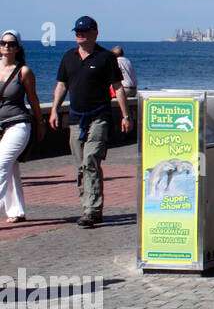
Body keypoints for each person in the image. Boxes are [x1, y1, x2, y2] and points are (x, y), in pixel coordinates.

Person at [49, 16, 131, 228]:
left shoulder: (105, 57)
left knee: (91, 159)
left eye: (84, 31)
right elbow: (62, 85)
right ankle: (87, 204)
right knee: (80, 166)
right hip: (76, 118)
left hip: (100, 116)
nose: (80, 34)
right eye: (77, 31)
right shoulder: (68, 57)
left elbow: (118, 87)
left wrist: (125, 115)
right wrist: (55, 110)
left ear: (95, 33)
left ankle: (92, 210)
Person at [0, 31, 43, 224]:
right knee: (10, 166)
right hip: (1, 126)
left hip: (18, 124)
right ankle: (16, 210)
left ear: (17, 47)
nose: (6, 46)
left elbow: (33, 99)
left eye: (11, 43)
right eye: (3, 43)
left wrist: (40, 123)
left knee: (1, 164)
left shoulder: (23, 71)